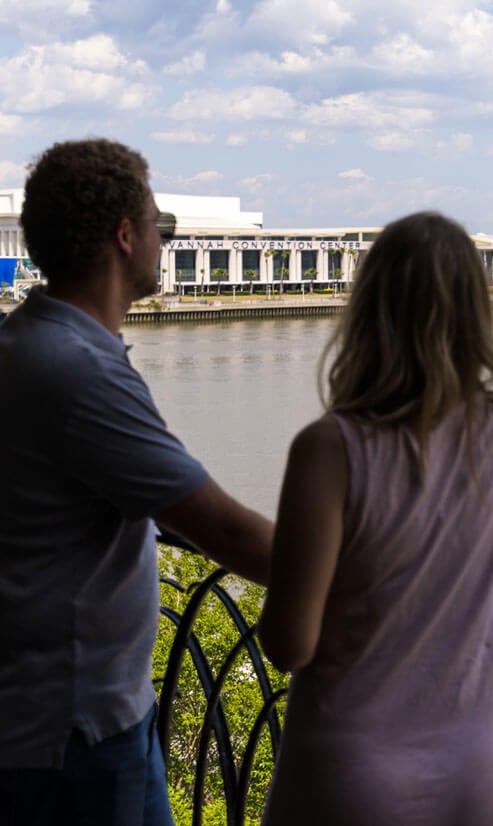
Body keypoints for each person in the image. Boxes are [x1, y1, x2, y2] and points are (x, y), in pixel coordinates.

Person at [0, 139, 273, 825]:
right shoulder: (80, 372)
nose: (164, 242)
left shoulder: (27, 344)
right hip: (75, 735)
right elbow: (226, 529)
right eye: (163, 227)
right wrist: (390, 578)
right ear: (126, 237)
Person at [257, 211, 493, 826]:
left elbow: (289, 642)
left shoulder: (329, 448)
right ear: (476, 315)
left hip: (351, 768)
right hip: (477, 767)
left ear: (368, 312)